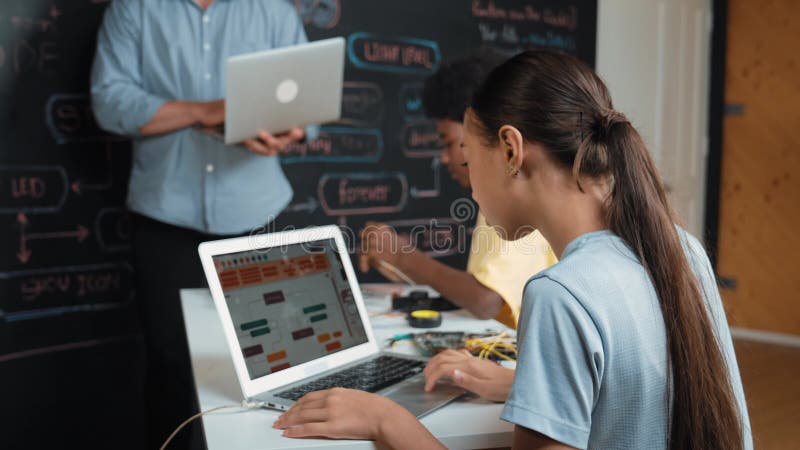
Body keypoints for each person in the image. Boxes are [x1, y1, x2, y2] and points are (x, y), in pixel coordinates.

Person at [273, 50, 753, 449]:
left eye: (467, 155)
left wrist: (387, 420)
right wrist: (521, 387)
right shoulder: (682, 248)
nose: (466, 181)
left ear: (509, 150)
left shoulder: (561, 293)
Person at [90, 0, 313, 447]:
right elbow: (109, 102)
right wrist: (207, 111)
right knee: (171, 367)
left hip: (258, 215)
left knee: (273, 365)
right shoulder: (134, 9)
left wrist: (290, 129)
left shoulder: (273, 10)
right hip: (164, 217)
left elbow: (304, 102)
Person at [359, 54, 557, 329]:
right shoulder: (504, 191)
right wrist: (403, 264)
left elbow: (486, 299)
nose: (444, 157)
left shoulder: (514, 195)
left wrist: (404, 256)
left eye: (450, 143)